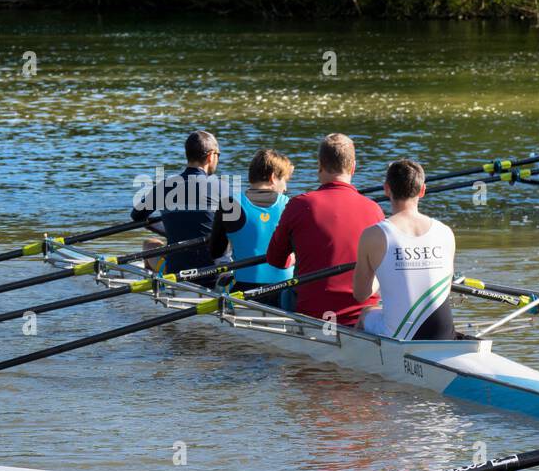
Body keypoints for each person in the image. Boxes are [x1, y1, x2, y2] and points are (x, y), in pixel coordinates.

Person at [265, 133, 384, 326]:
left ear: (319, 165)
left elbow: (275, 260)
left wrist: (297, 255)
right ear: (353, 167)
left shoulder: (299, 205)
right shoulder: (375, 210)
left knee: (285, 291)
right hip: (362, 319)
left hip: (314, 315)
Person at [353, 159, 456, 340]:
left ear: (386, 189)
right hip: (443, 335)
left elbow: (361, 294)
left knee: (366, 313)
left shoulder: (373, 235)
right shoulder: (446, 232)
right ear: (422, 190)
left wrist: (382, 271)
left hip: (400, 337)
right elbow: (445, 289)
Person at [132, 130, 231, 282]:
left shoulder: (164, 186)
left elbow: (137, 215)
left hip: (176, 273)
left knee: (149, 245)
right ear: (211, 156)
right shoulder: (222, 187)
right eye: (218, 155)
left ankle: (156, 289)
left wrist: (172, 229)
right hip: (214, 273)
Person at [208, 148, 295, 306]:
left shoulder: (230, 204)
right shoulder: (290, 205)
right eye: (285, 180)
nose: (285, 188)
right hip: (285, 291)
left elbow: (216, 251)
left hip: (245, 291)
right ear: (273, 177)